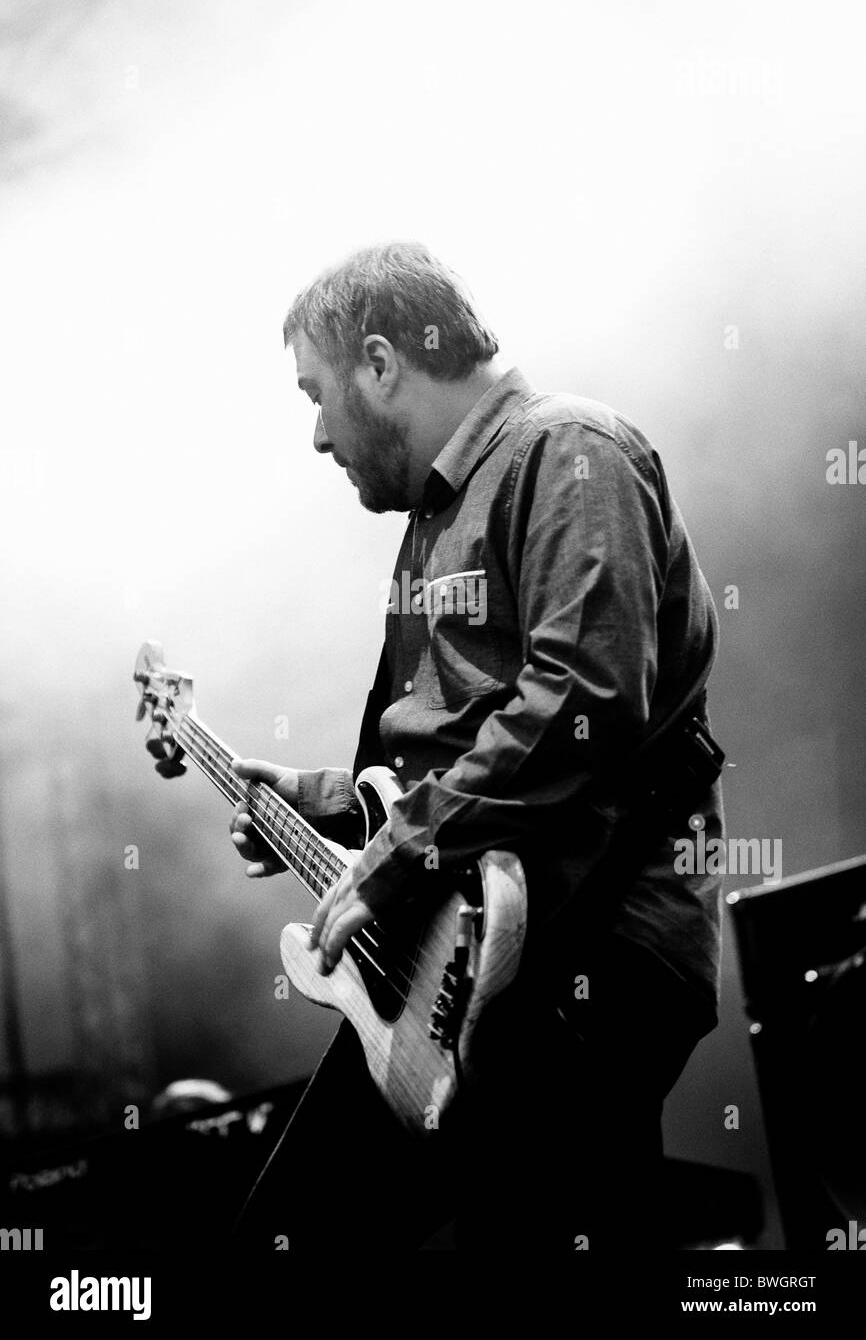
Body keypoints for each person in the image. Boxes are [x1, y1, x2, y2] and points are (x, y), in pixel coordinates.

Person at [229, 241, 725, 1251]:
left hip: (590, 942)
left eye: (316, 396)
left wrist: (397, 855)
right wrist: (324, 797)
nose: (318, 436)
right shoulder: (427, 528)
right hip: (470, 961)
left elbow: (582, 698)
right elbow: (443, 757)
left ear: (380, 362)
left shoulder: (571, 450)